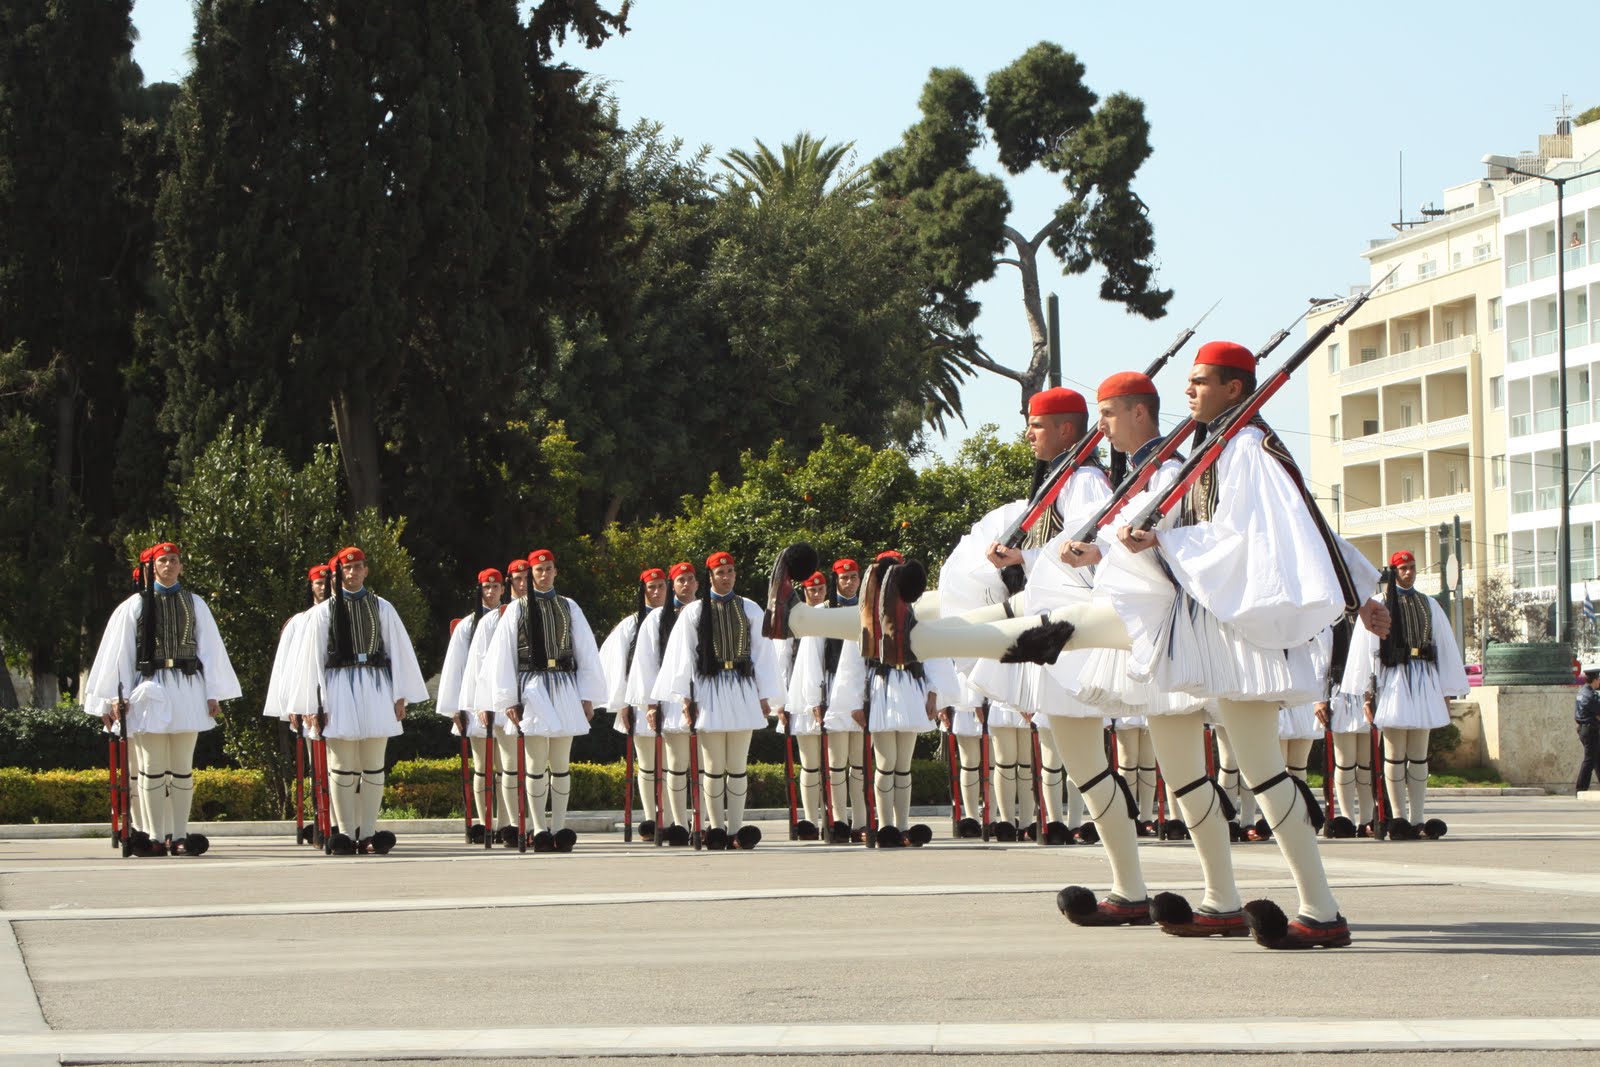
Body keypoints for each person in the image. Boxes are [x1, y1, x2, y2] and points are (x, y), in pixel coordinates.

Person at [84, 542, 242, 856]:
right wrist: (118, 696)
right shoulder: (135, 605)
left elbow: (210, 650)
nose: (169, 565)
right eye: (163, 561)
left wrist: (213, 693)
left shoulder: (195, 604)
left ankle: (180, 834)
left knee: (182, 767)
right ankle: (155, 836)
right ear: (152, 567)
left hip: (186, 686)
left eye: (174, 561)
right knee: (152, 767)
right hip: (148, 687)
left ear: (181, 566)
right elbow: (121, 654)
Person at [284, 546, 428, 855]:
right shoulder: (321, 613)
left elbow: (398, 652)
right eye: (347, 569)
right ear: (338, 574)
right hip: (338, 687)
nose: (352, 573)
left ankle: (368, 830)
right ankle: (346, 832)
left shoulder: (382, 607)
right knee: (342, 765)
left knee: (374, 765)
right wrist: (312, 704)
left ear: (366, 571)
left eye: (358, 567)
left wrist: (400, 693)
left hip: (376, 685)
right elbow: (312, 661)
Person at [654, 551, 782, 849]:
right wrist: (686, 696)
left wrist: (765, 696)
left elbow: (764, 655)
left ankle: (736, 829)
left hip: (742, 686)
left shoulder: (749, 609)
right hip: (709, 688)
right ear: (710, 577)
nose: (726, 577)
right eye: (720, 573)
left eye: (730, 572)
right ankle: (716, 827)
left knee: (737, 764)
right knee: (712, 764)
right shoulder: (695, 611)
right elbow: (682, 656)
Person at [1342, 550, 1469, 839]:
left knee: (1419, 755)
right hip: (1394, 679)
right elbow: (1366, 650)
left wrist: (1446, 691)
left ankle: (1418, 818)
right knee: (1395, 753)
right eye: (1403, 568)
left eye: (1412, 567)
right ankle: (1398, 816)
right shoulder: (1380, 604)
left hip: (1424, 678)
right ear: (1394, 571)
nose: (1408, 572)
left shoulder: (1430, 605)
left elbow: (1445, 647)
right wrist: (1367, 694)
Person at [486, 548, 604, 852]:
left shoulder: (569, 607)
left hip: (564, 684)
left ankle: (559, 827)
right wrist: (508, 698)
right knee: (536, 762)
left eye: (548, 569)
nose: (543, 574)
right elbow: (502, 657)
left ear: (555, 572)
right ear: (530, 575)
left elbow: (586, 652)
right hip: (532, 686)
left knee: (561, 763)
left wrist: (587, 696)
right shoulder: (516, 609)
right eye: (538, 570)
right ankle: (539, 828)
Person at [436, 567, 509, 842]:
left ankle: (506, 822)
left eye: (495, 587)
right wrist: (456, 706)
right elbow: (455, 667)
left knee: (506, 766)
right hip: (475, 700)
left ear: (503, 589)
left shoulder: (510, 617)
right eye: (486, 588)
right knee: (482, 765)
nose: (490, 592)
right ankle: (484, 821)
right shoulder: (468, 625)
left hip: (503, 702)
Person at [628, 561, 698, 844]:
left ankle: (703, 822)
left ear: (696, 583)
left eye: (689, 579)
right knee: (675, 765)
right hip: (670, 700)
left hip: (705, 698)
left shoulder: (707, 612)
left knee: (706, 767)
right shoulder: (656, 619)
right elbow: (645, 664)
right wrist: (650, 704)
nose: (685, 585)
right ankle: (677, 824)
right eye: (680, 580)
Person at [600, 567, 669, 840]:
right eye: (650, 587)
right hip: (641, 701)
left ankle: (674, 818)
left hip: (672, 700)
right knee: (648, 764)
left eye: (660, 586)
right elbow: (618, 665)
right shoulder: (631, 624)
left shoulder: (682, 618)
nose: (656, 591)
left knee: (675, 765)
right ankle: (652, 818)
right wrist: (622, 703)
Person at [776, 570, 831, 838]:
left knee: (834, 764)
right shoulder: (795, 619)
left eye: (820, 588)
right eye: (811, 589)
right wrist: (782, 702)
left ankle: (832, 816)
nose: (816, 593)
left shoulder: (834, 618)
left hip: (833, 696)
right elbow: (783, 662)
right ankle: (810, 821)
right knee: (810, 764)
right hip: (800, 696)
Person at [1576, 667, 1600, 793]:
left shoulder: (1582, 692)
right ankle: (1580, 788)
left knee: (1597, 758)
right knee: (1590, 760)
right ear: (1595, 680)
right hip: (1590, 730)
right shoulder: (1590, 695)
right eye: (1599, 679)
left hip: (1584, 728)